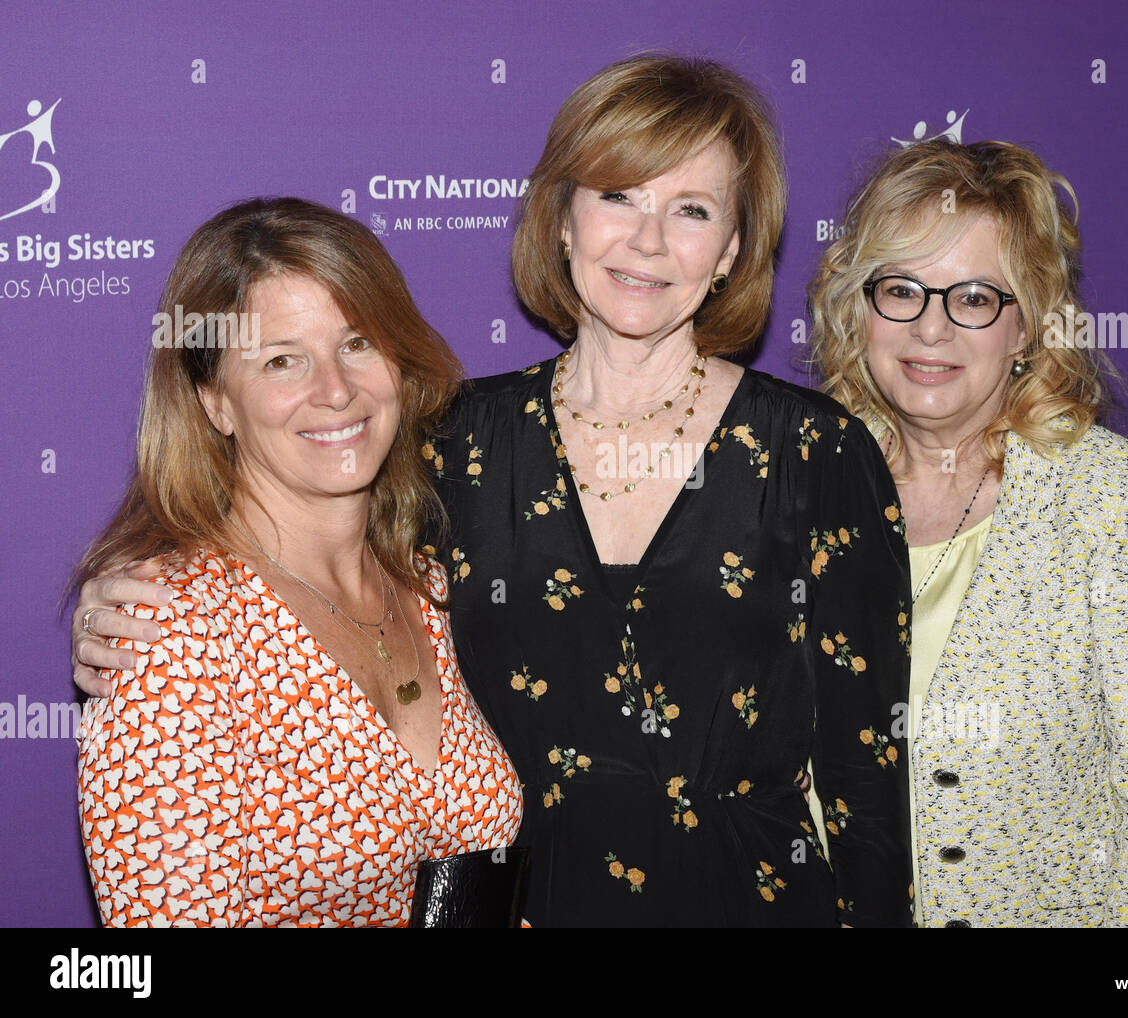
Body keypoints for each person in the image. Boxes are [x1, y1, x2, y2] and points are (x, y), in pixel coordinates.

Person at [74, 57, 912, 928]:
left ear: (735, 247)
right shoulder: (453, 446)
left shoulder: (819, 453)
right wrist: (131, 606)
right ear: (561, 220)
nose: (649, 239)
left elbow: (866, 786)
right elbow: (284, 543)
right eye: (619, 195)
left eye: (692, 210)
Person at [72, 197, 522, 926]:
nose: (336, 390)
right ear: (215, 400)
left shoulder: (427, 587)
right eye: (284, 360)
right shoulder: (168, 636)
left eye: (357, 343)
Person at [810, 139, 1128, 927]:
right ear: (859, 309)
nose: (931, 330)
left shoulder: (1118, 505)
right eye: (902, 289)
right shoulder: (802, 482)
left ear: (1028, 323)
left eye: (972, 298)